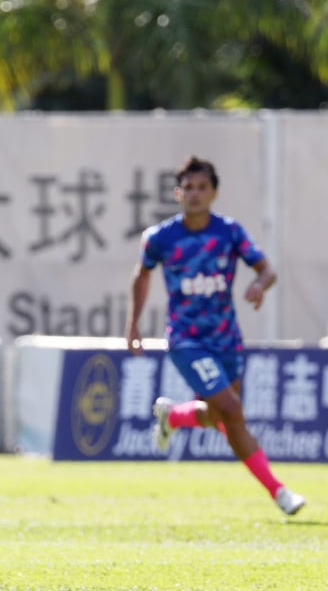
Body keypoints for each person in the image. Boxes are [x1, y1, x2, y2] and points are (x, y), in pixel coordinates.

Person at [125, 155, 305, 516]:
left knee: (221, 414)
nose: (194, 194)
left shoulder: (229, 232)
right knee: (233, 411)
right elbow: (142, 275)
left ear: (214, 192)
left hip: (226, 339)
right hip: (187, 340)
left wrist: (258, 284)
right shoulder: (160, 238)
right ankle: (279, 492)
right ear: (177, 193)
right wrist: (133, 323)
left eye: (201, 187)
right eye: (188, 187)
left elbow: (267, 269)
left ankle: (174, 416)